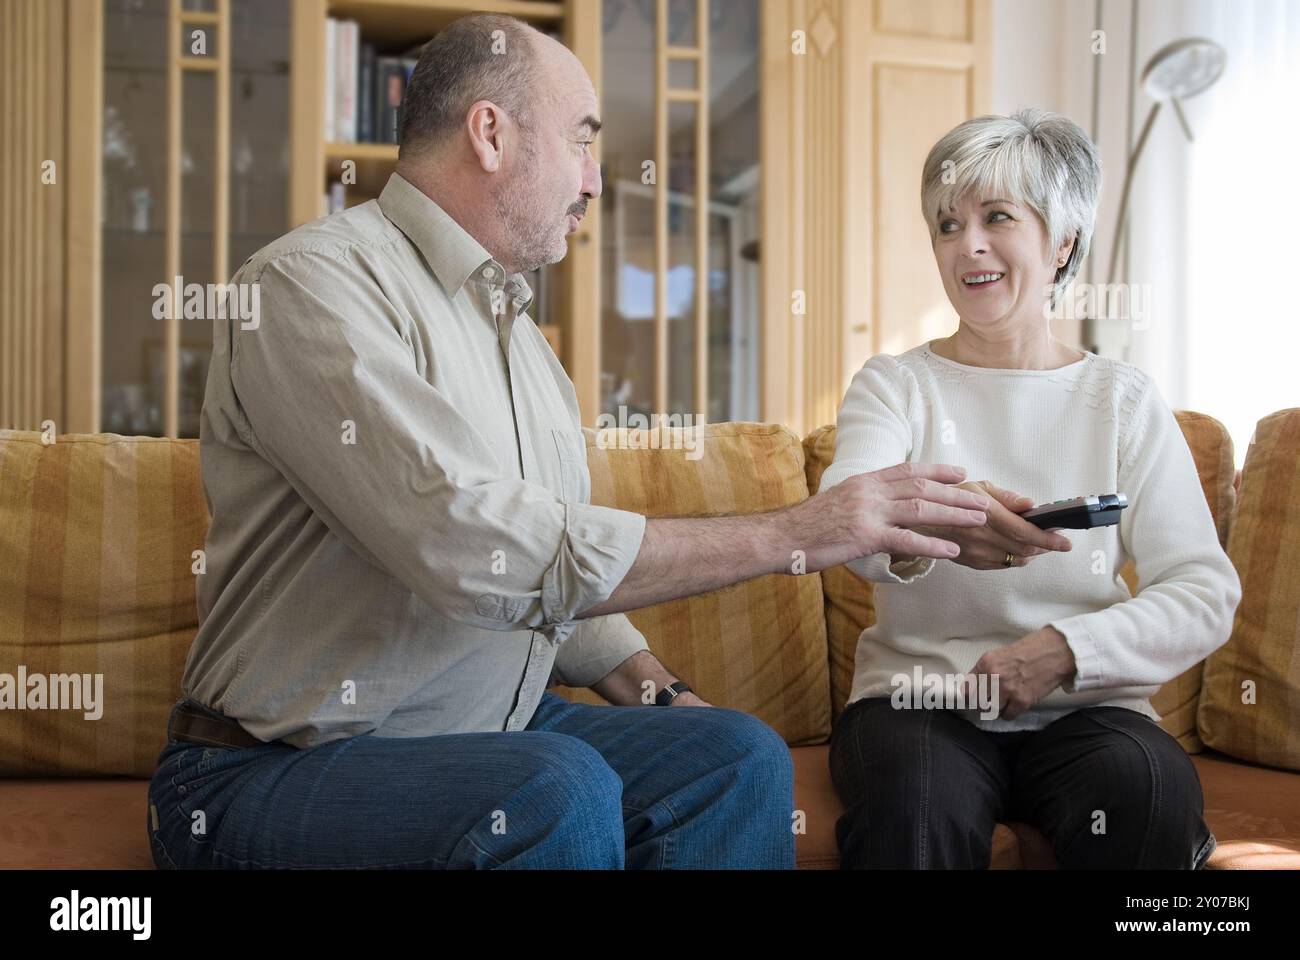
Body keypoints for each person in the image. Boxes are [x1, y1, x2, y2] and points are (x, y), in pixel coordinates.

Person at [145, 13, 990, 870]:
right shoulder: (311, 285)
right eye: (582, 142)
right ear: (489, 133)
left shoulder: (523, 342)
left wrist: (660, 692)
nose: (594, 180)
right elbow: (469, 545)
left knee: (736, 758)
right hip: (268, 767)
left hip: (488, 735)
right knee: (555, 787)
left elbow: (549, 580)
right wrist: (796, 531)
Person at [819, 109, 1242, 870]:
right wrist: (945, 522)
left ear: (1064, 243)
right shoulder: (895, 386)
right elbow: (845, 520)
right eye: (947, 225)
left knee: (1148, 788)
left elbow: (1203, 590)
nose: (968, 244)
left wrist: (1067, 651)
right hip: (920, 703)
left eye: (998, 217)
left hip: (1087, 710)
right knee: (917, 810)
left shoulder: (1122, 399)